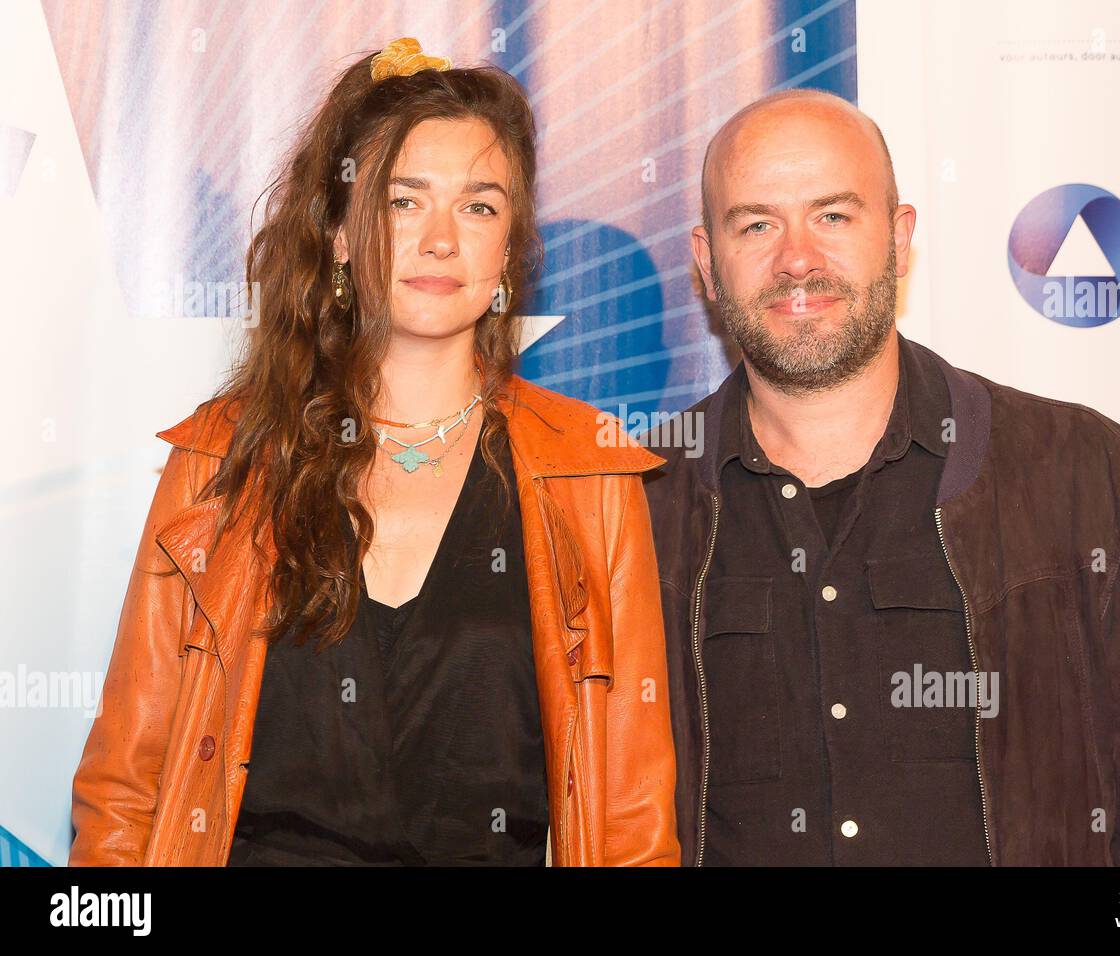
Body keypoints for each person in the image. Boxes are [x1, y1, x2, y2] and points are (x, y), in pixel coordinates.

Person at [68, 38, 678, 867]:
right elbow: (125, 790)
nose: (439, 240)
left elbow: (629, 819)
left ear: (509, 252)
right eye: (403, 200)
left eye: (479, 206)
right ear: (342, 235)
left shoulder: (592, 474)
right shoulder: (222, 460)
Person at [640, 88, 1120, 866]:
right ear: (705, 261)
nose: (797, 258)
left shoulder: (1097, 484)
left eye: (834, 216)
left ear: (900, 240)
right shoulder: (634, 509)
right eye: (758, 223)